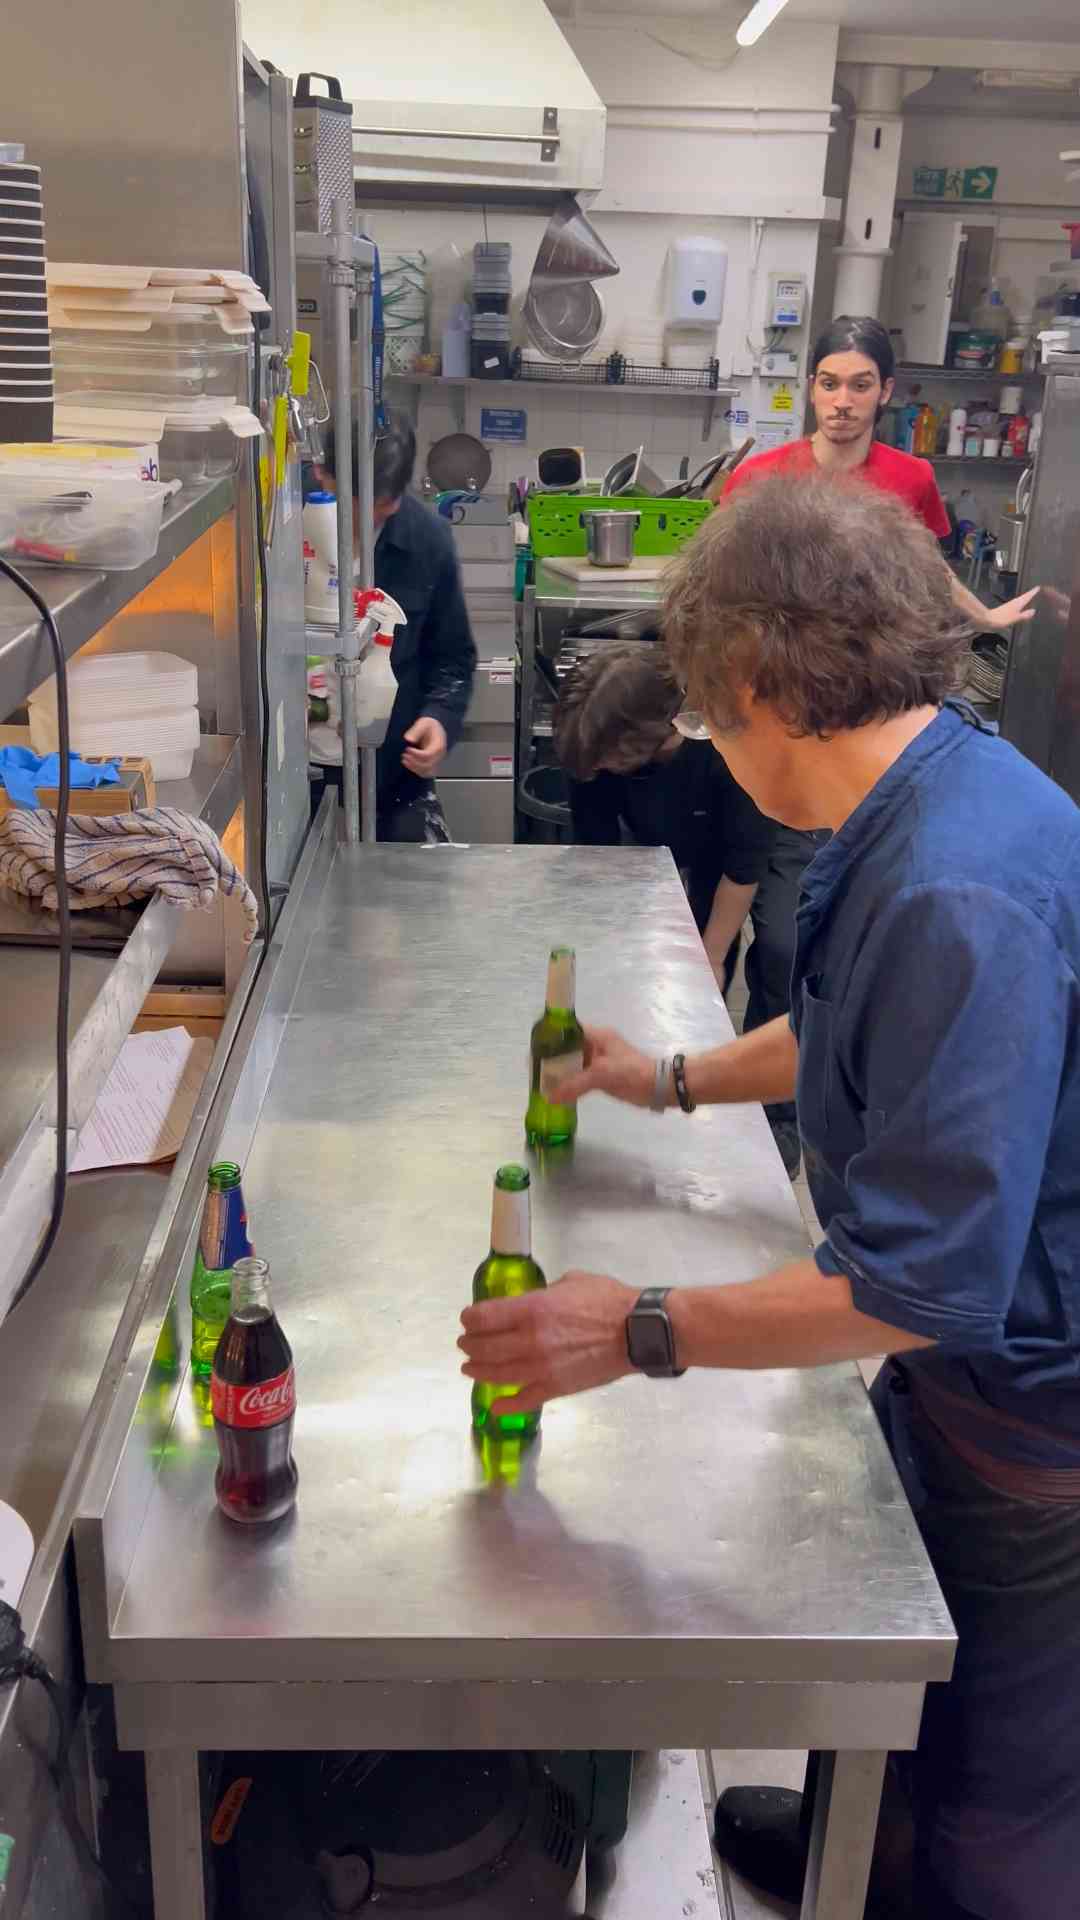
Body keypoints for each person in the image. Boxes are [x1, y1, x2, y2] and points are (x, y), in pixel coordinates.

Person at [459, 473, 1080, 1920]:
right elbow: (845, 1029)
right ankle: (866, 1847)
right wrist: (663, 1078)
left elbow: (921, 1286)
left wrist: (634, 1328)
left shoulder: (959, 888)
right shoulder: (919, 796)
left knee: (1007, 1803)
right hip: (961, 1384)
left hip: (1040, 1420)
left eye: (697, 696)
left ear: (749, 677)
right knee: (915, 1718)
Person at [554, 641, 803, 1176]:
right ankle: (650, 1071)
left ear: (651, 737)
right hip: (682, 829)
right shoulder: (599, 751)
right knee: (667, 950)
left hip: (775, 822)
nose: (598, 772)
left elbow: (744, 865)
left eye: (607, 763)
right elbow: (596, 857)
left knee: (782, 946)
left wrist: (710, 955)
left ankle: (776, 1112)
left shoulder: (726, 741)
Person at [723, 313, 1039, 639]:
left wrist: (984, 616)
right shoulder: (758, 477)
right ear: (812, 388)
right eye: (829, 384)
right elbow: (724, 578)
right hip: (783, 660)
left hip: (873, 663)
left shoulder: (913, 477)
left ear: (885, 391)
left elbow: (927, 566)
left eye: (860, 385)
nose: (842, 402)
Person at [309, 418, 476, 842]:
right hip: (299, 779)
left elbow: (453, 658)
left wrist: (438, 719)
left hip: (393, 779)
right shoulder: (284, 540)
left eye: (380, 506)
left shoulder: (428, 541)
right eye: (351, 502)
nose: (363, 521)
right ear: (320, 473)